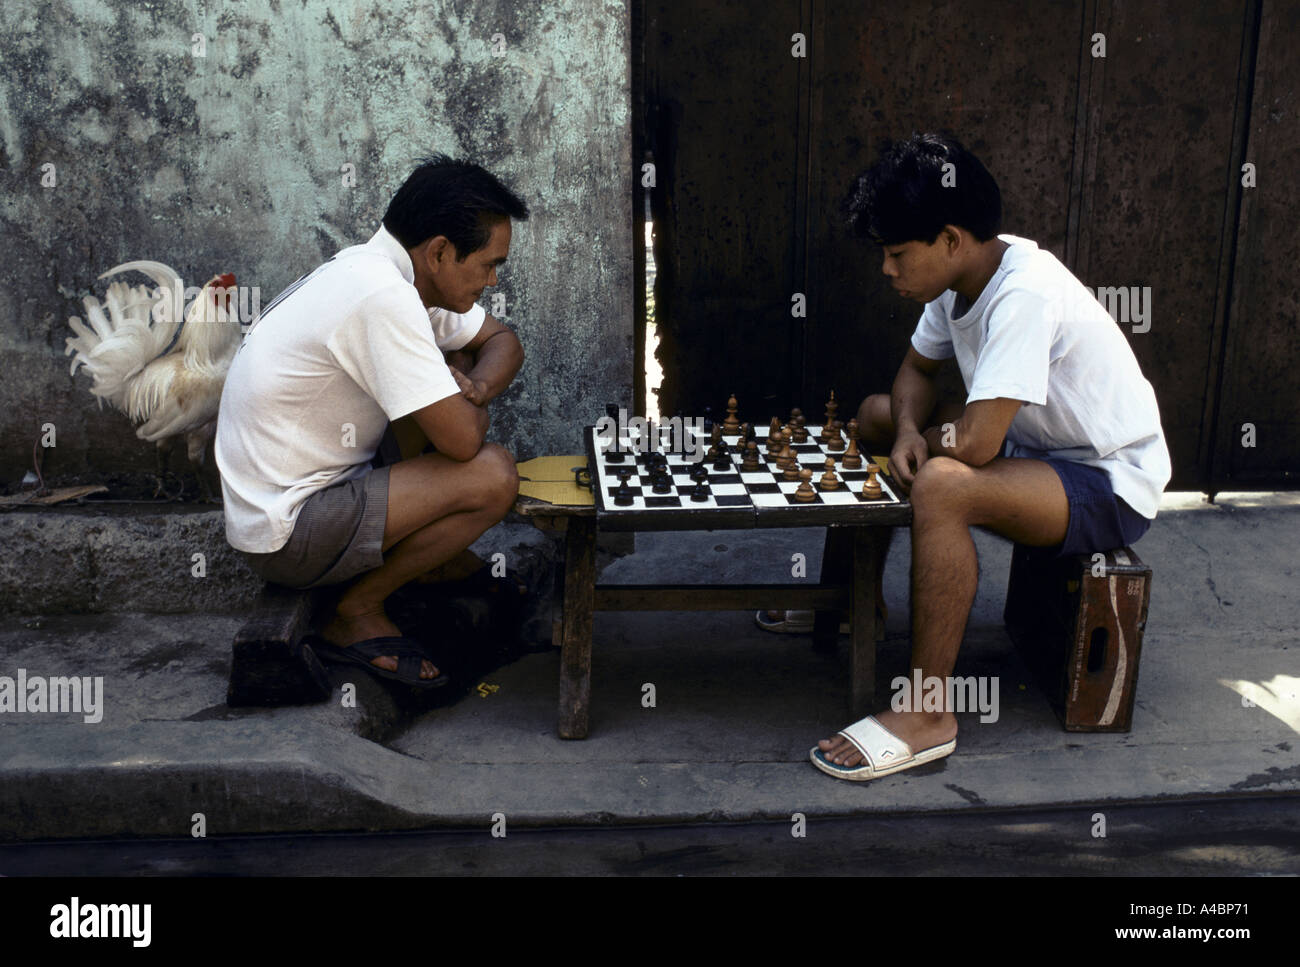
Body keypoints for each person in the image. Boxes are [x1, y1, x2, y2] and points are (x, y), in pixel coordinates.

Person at [807, 132, 1171, 780]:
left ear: (950, 239)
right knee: (874, 416)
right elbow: (915, 372)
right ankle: (846, 601)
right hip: (1033, 447)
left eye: (897, 254)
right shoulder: (956, 283)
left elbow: (974, 446)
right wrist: (910, 428)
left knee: (943, 485)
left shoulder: (1022, 291)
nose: (887, 270)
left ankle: (927, 714)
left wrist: (928, 443)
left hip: (1106, 477)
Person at [215, 155, 528, 688]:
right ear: (440, 252)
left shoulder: (389, 274)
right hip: (290, 529)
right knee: (493, 475)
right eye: (488, 264)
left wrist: (471, 385)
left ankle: (429, 565)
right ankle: (356, 610)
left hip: (311, 500)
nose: (493, 280)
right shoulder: (381, 296)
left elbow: (502, 341)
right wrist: (458, 393)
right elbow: (461, 442)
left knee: (417, 407)